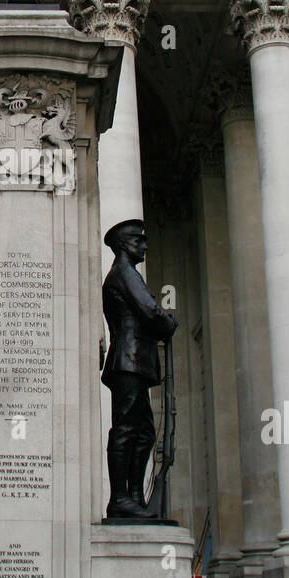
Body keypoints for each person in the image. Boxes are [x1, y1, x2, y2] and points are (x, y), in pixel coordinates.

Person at [101, 219, 178, 519]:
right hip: (127, 361)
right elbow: (150, 310)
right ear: (123, 245)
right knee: (126, 428)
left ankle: (134, 495)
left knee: (144, 432)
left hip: (135, 363)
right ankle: (120, 497)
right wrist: (168, 323)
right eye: (138, 240)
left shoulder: (127, 273)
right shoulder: (124, 273)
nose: (144, 245)